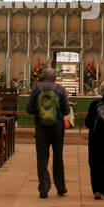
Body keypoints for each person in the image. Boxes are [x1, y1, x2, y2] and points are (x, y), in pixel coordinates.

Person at [26, 66, 70, 198]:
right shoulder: (60, 89)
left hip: (41, 127)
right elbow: (67, 111)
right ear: (55, 77)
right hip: (57, 127)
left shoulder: (36, 88)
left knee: (42, 158)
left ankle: (44, 189)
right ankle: (60, 187)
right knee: (58, 156)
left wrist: (40, 112)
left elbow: (29, 109)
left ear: (43, 76)